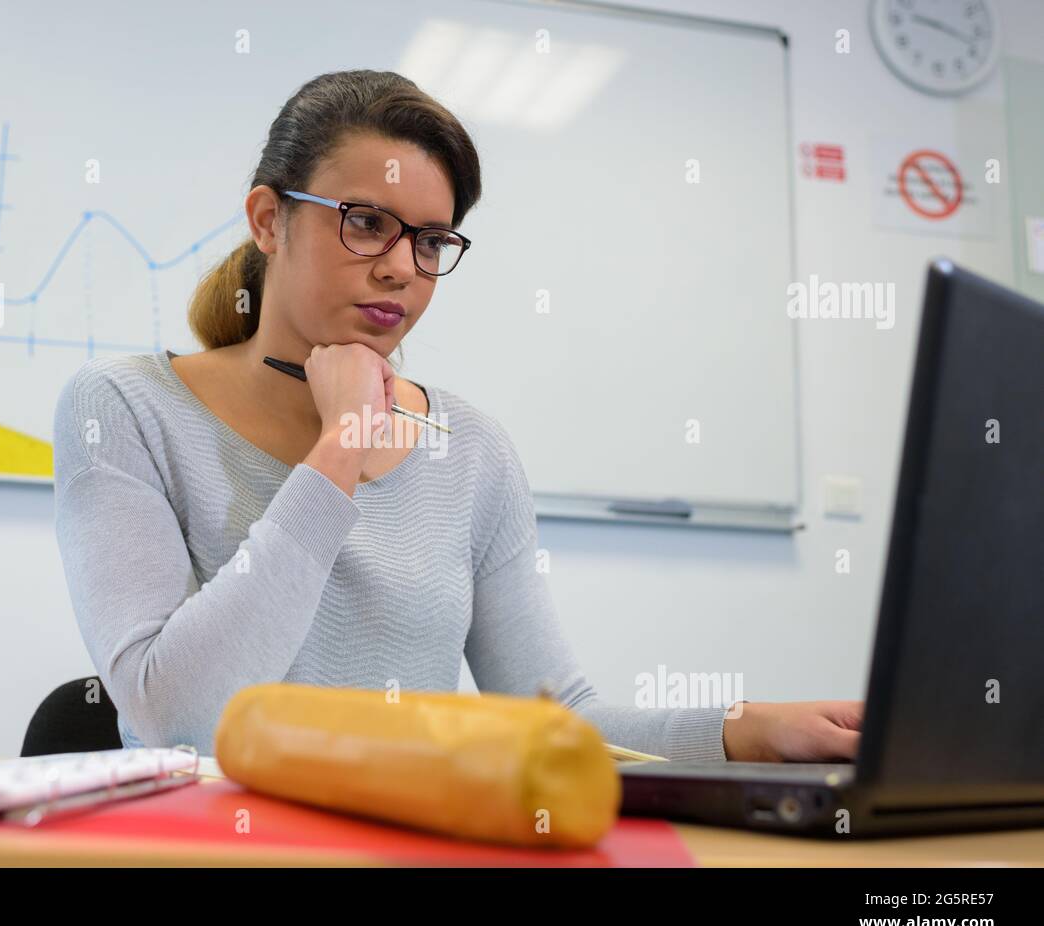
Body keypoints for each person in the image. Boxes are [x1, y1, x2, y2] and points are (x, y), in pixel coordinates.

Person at [52, 69, 862, 762]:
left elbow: (556, 717)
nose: (403, 267)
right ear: (269, 218)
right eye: (366, 223)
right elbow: (175, 717)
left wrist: (744, 730)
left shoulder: (470, 450)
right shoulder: (125, 407)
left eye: (432, 241)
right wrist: (339, 450)